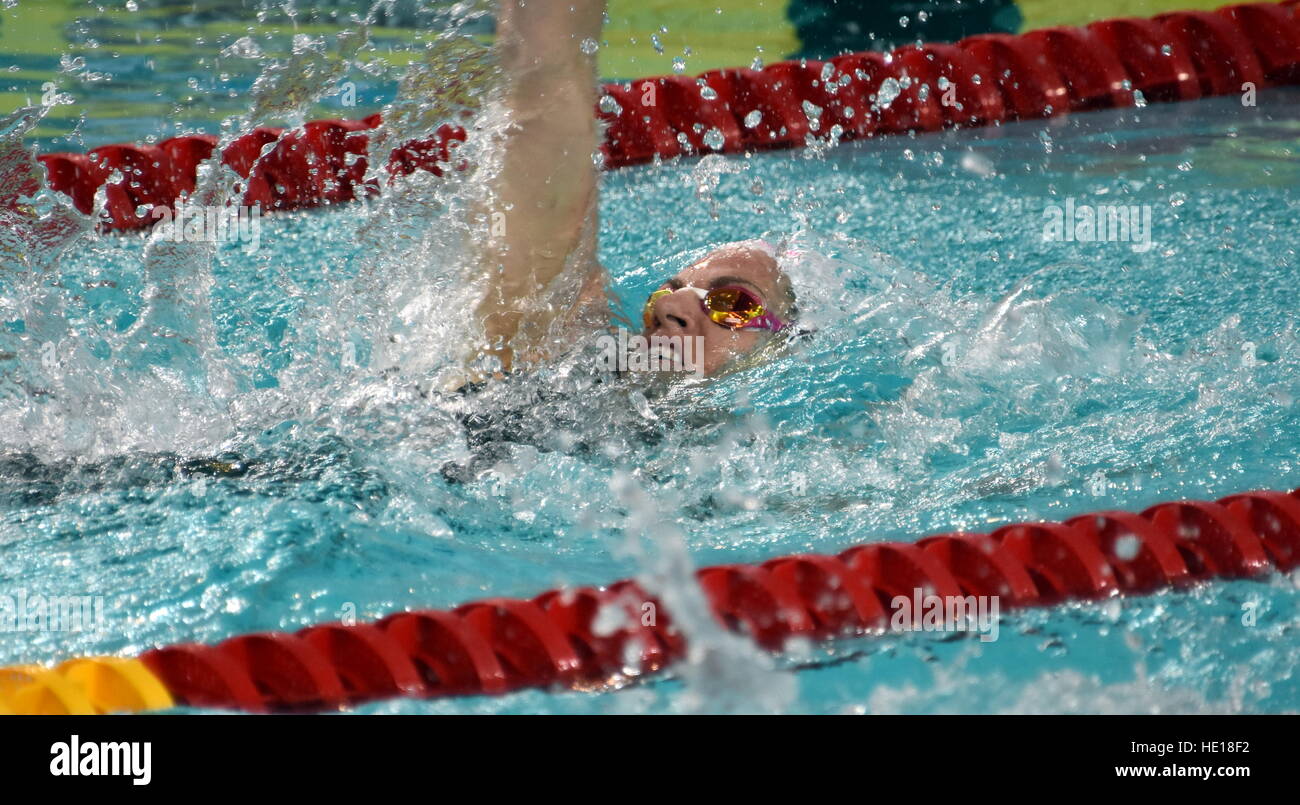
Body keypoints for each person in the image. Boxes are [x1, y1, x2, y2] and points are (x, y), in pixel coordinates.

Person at [462, 0, 800, 384]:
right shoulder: (567, 380)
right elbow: (544, 116)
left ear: (787, 348)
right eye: (660, 295)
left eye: (734, 304)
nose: (671, 305)